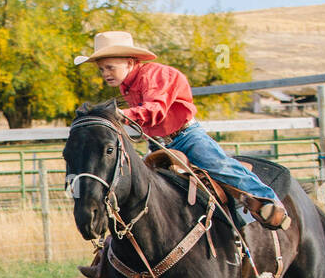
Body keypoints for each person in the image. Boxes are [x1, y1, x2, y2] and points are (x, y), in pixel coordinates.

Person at [74, 31, 290, 230]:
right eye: (102, 69)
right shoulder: (127, 86)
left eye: (110, 67)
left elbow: (156, 108)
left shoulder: (155, 75)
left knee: (218, 165)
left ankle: (269, 202)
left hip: (186, 137)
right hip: (160, 143)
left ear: (130, 62)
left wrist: (126, 115)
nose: (105, 73)